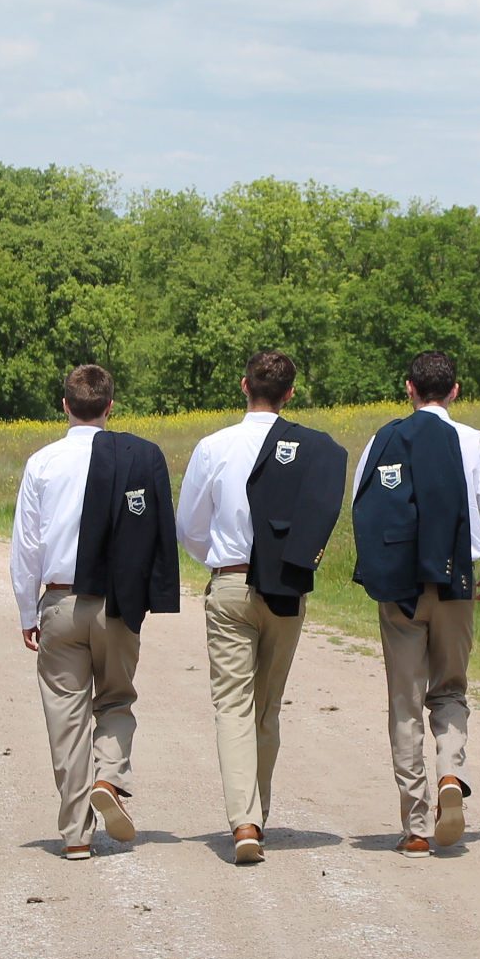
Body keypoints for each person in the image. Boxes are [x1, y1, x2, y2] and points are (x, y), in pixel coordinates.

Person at [176, 351, 348, 865]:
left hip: (230, 585)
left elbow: (187, 524)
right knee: (267, 708)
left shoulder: (214, 446)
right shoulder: (312, 447)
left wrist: (219, 562)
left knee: (232, 704)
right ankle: (260, 811)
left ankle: (243, 819)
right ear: (291, 393)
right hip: (286, 587)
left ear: (243, 385)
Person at [351, 350, 480, 856]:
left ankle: (417, 826)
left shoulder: (385, 437)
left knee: (405, 701)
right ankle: (451, 772)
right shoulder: (474, 441)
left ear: (408, 388)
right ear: (455, 391)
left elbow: (361, 499)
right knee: (449, 689)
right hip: (456, 581)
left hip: (400, 587)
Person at [12, 364, 180, 859]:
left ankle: (75, 834)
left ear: (64, 405)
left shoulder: (42, 462)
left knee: (64, 717)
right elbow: (158, 534)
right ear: (111, 406)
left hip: (60, 602)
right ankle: (108, 775)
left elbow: (26, 546)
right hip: (118, 603)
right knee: (115, 700)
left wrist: (28, 612)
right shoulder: (140, 456)